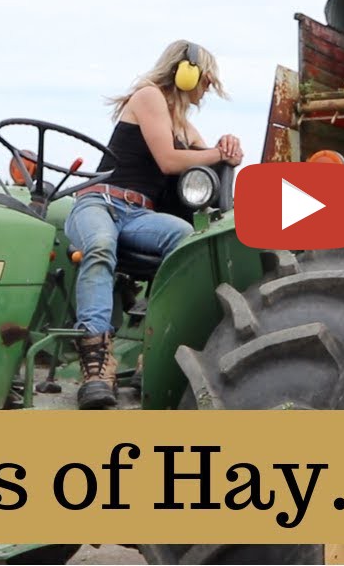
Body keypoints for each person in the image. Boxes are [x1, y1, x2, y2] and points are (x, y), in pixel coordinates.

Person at [64, 40, 243, 409]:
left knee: (184, 239)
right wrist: (217, 154)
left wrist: (228, 150)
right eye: (205, 79)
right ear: (185, 71)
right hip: (101, 201)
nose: (207, 88)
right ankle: (97, 365)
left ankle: (153, 347)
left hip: (140, 215)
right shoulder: (148, 97)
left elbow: (204, 166)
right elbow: (167, 160)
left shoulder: (185, 126)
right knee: (99, 244)